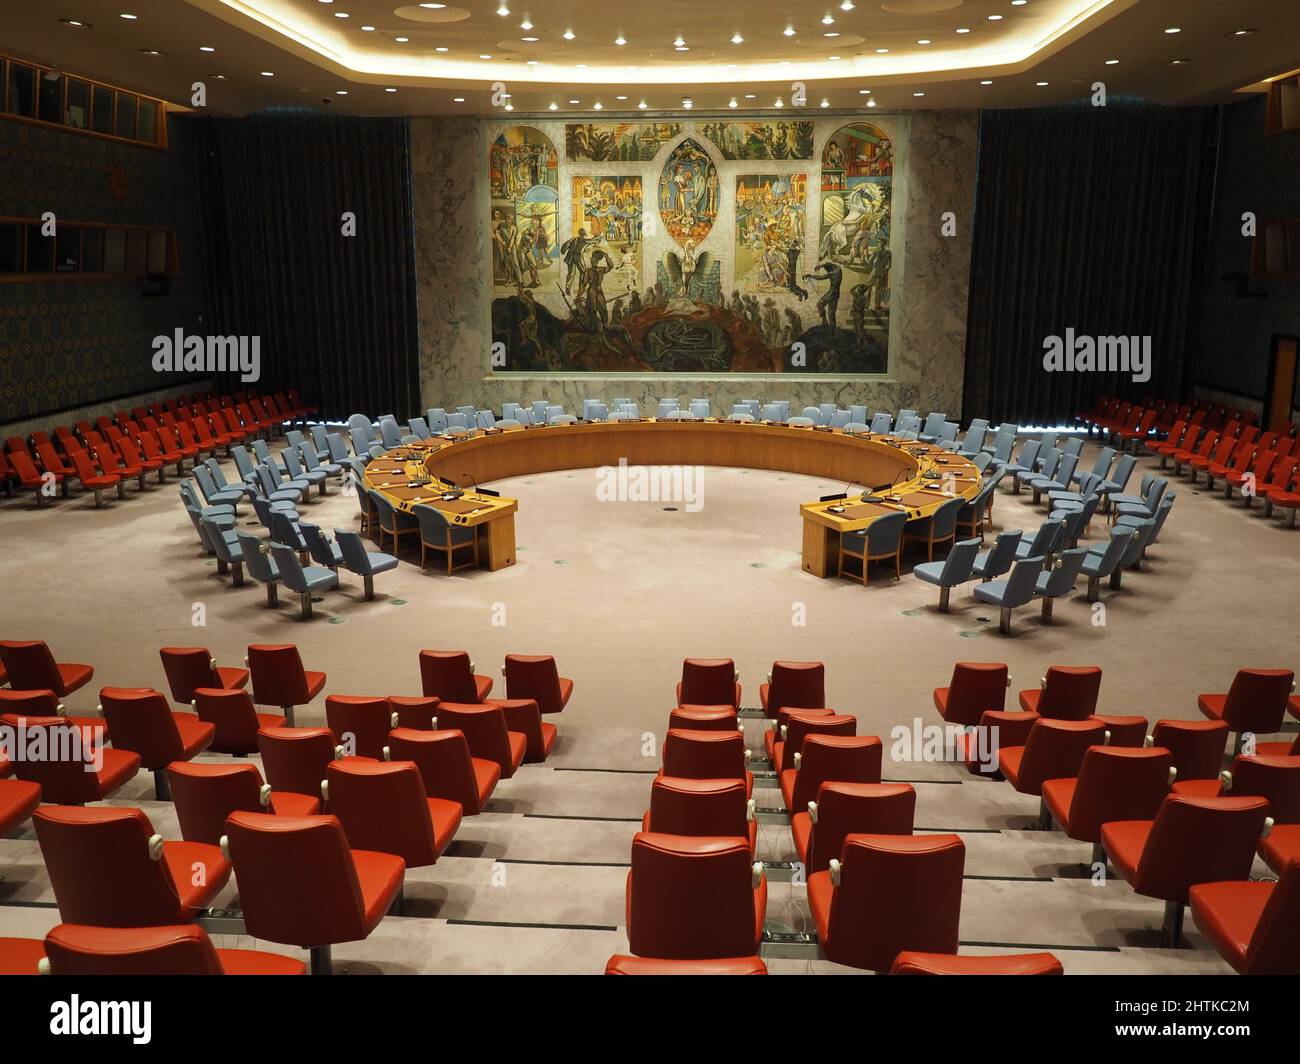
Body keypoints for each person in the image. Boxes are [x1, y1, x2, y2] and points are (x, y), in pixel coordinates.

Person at [803, 261, 843, 334]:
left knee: (820, 304)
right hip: (836, 293)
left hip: (832, 293)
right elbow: (829, 264)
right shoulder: (838, 268)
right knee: (831, 314)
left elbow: (820, 277)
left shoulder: (832, 273)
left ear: (829, 269)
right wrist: (821, 266)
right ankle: (832, 333)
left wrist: (810, 275)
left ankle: (824, 321)